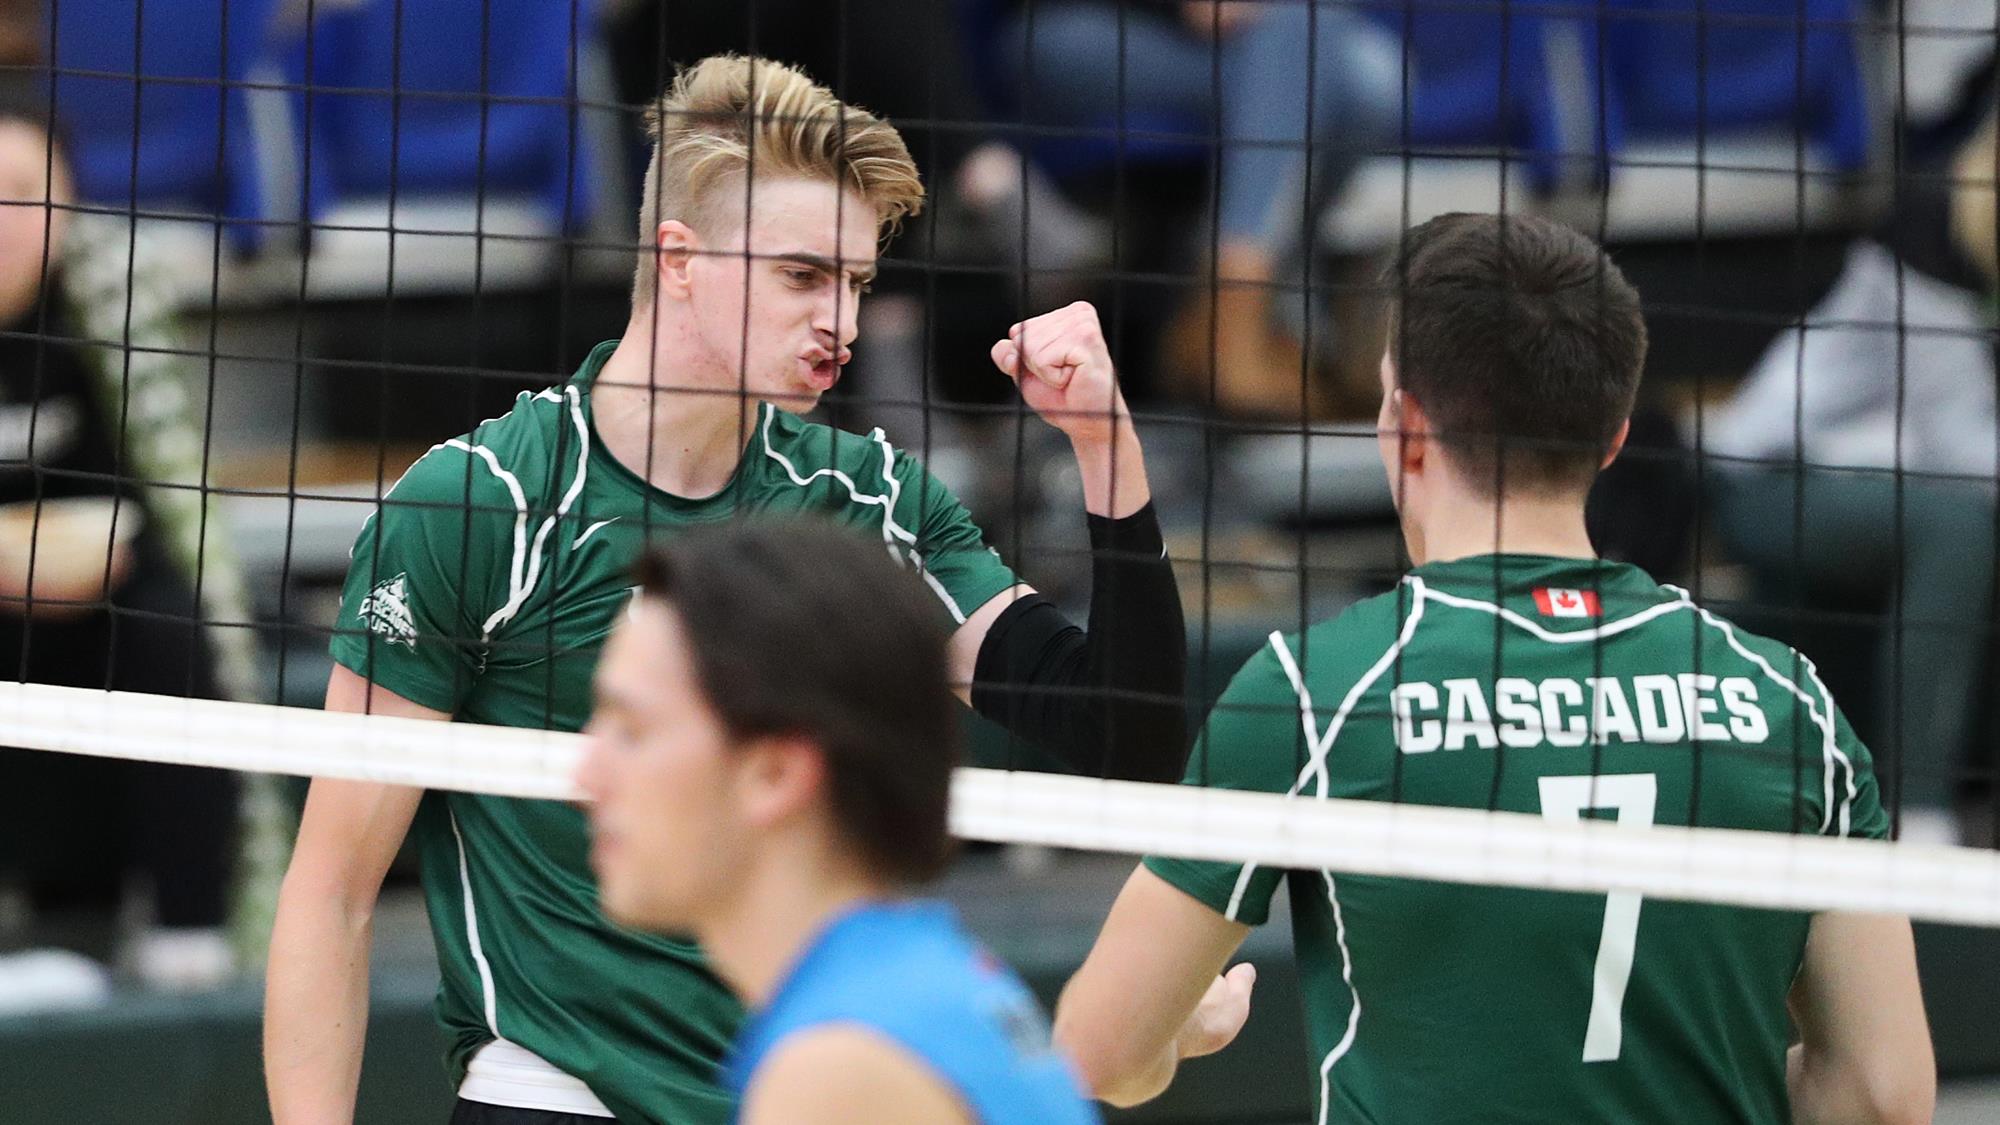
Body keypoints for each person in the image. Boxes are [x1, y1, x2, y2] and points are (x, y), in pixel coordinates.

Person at [264, 54, 1186, 1125]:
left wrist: (1105, 448)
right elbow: (330, 893)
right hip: (556, 1092)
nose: (838, 320)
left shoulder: (865, 501)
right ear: (681, 259)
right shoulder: (485, 503)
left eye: (855, 282)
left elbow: (1130, 742)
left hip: (807, 1090)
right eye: (802, 276)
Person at [1052, 213, 1937, 1123]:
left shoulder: (1320, 692)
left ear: (1407, 427)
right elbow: (1883, 1092)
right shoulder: (1785, 701)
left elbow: (1096, 1053)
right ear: (1615, 435)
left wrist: (1175, 1037)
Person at [575, 519, 1098, 1125]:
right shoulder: (910, 985)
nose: (585, 776)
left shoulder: (839, 1067)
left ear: (773, 774)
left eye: (632, 731)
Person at [0, 70, 245, 991]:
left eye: (26, 193)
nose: (4, 217)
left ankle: (193, 931)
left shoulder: (111, 310)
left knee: (172, 626)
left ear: (69, 204)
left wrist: (89, 555)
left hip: (90, 594)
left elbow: (159, 502)